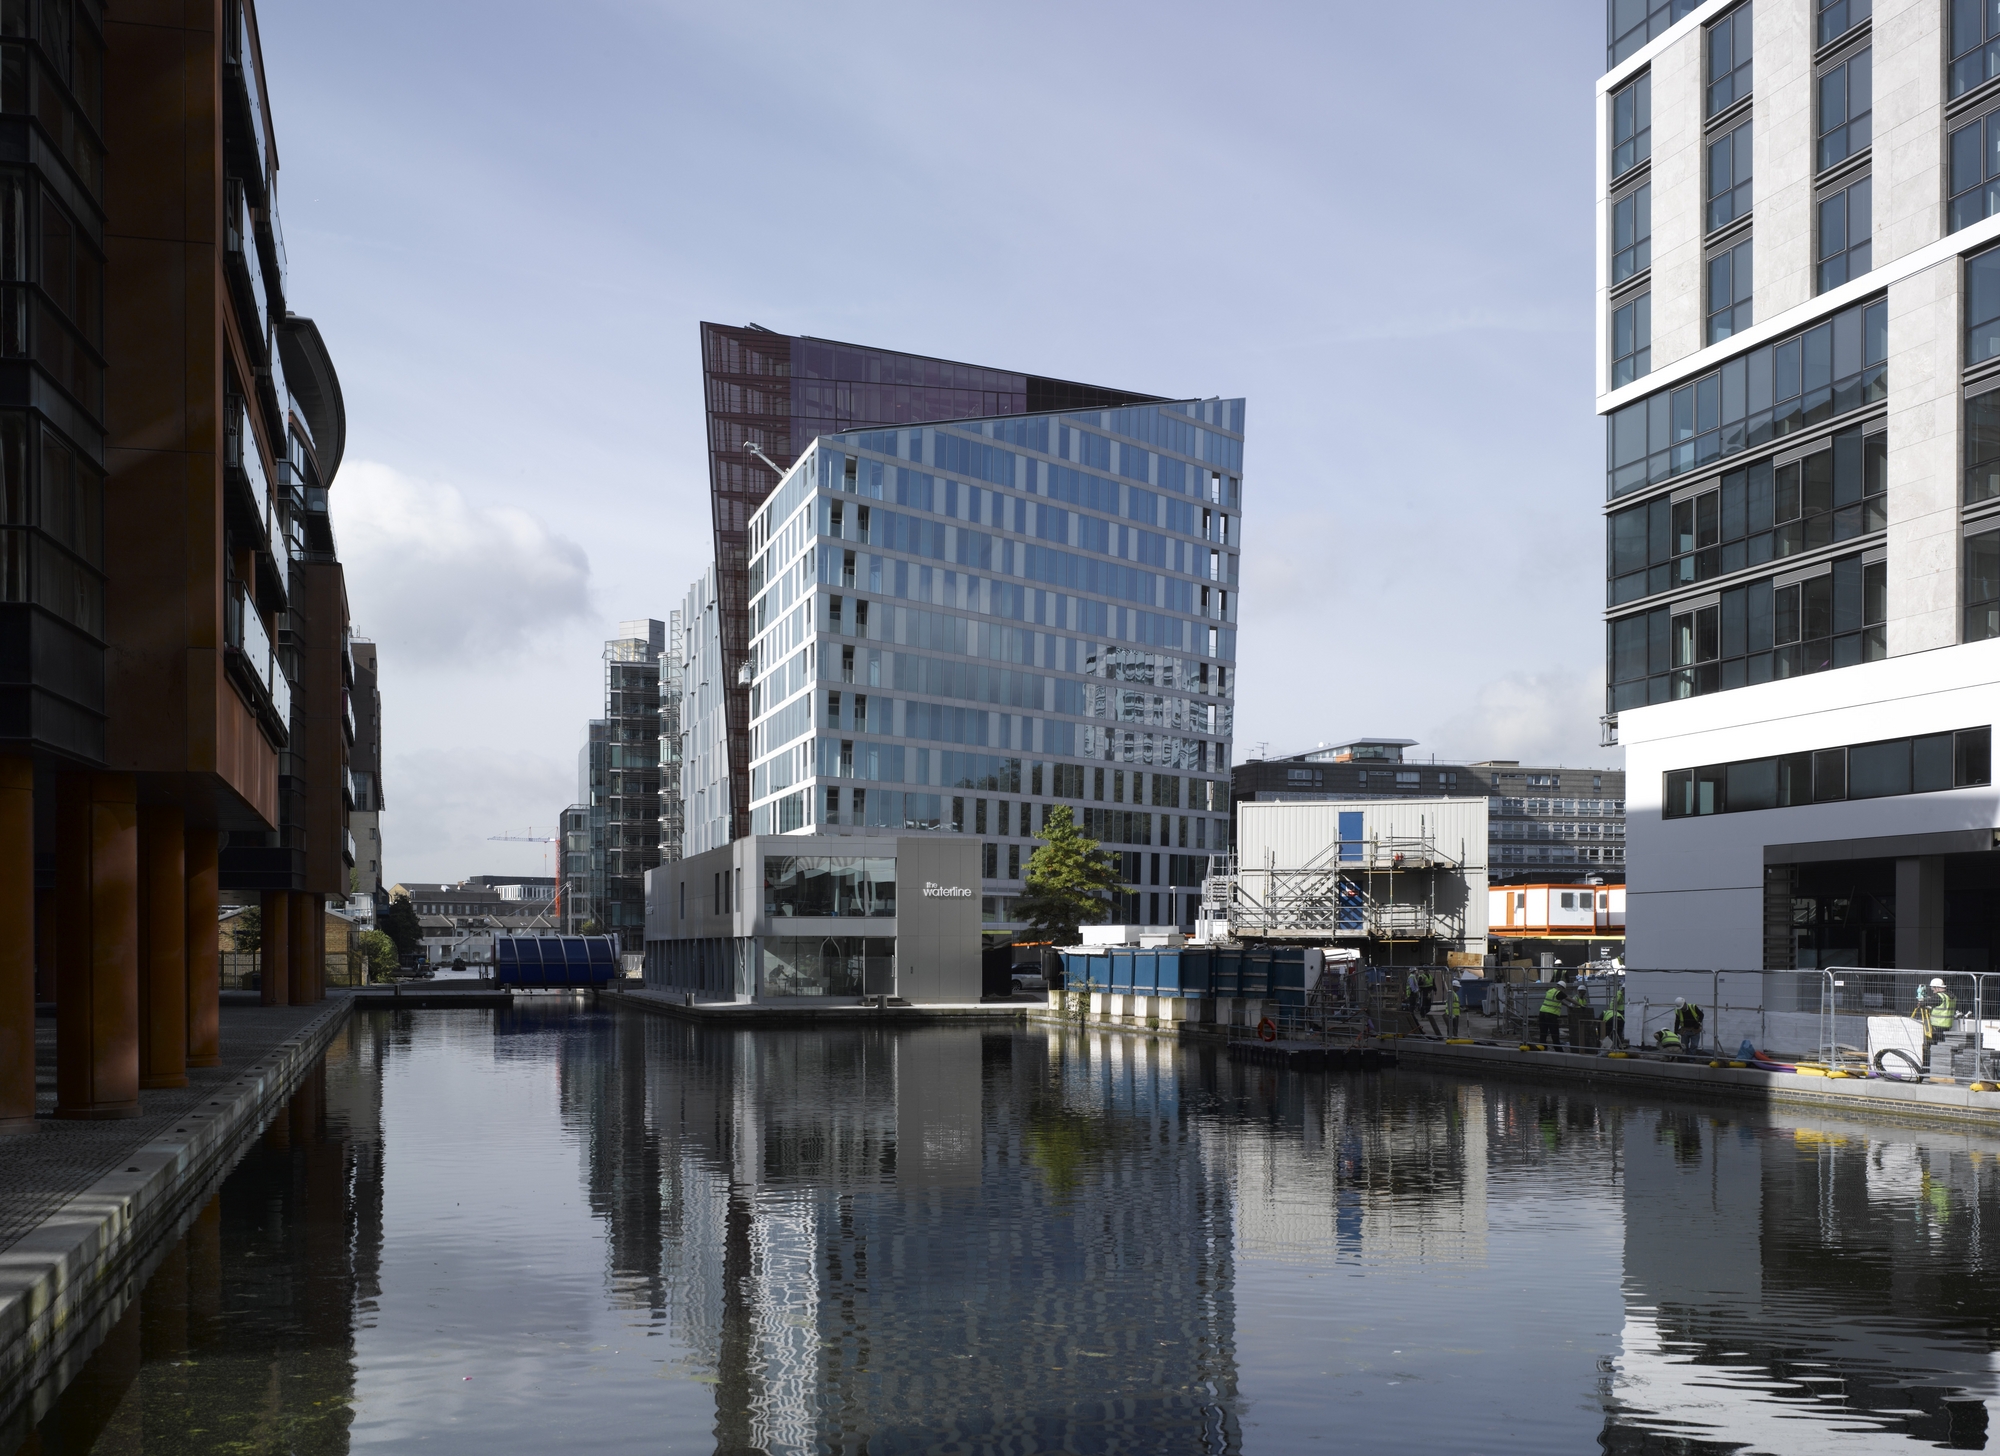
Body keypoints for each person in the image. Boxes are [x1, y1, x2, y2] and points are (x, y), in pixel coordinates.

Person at [1914, 977, 1956, 1064]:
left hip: (1938, 1025)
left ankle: (1934, 1062)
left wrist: (1921, 1003)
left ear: (1937, 987)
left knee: (1935, 1045)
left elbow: (1930, 1001)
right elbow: (1940, 1006)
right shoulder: (1951, 996)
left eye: (1933, 988)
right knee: (1942, 1044)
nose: (1933, 991)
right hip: (1947, 1024)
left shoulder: (1940, 997)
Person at [1537, 979, 1566, 1048]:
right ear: (1562, 988)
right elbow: (1570, 999)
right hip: (1551, 1015)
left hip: (1542, 1013)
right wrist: (1580, 1005)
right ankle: (1558, 1049)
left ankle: (1542, 1047)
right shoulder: (1559, 993)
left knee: (1543, 1033)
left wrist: (1567, 1005)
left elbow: (1557, 1001)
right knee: (1555, 1033)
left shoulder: (1550, 991)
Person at [1603, 980, 1626, 1050]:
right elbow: (1614, 1003)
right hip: (1617, 1012)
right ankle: (1615, 1044)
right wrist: (1613, 1011)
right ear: (1624, 989)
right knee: (1616, 1030)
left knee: (1616, 1030)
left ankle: (1616, 1044)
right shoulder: (1619, 995)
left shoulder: (1620, 994)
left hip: (1617, 1012)